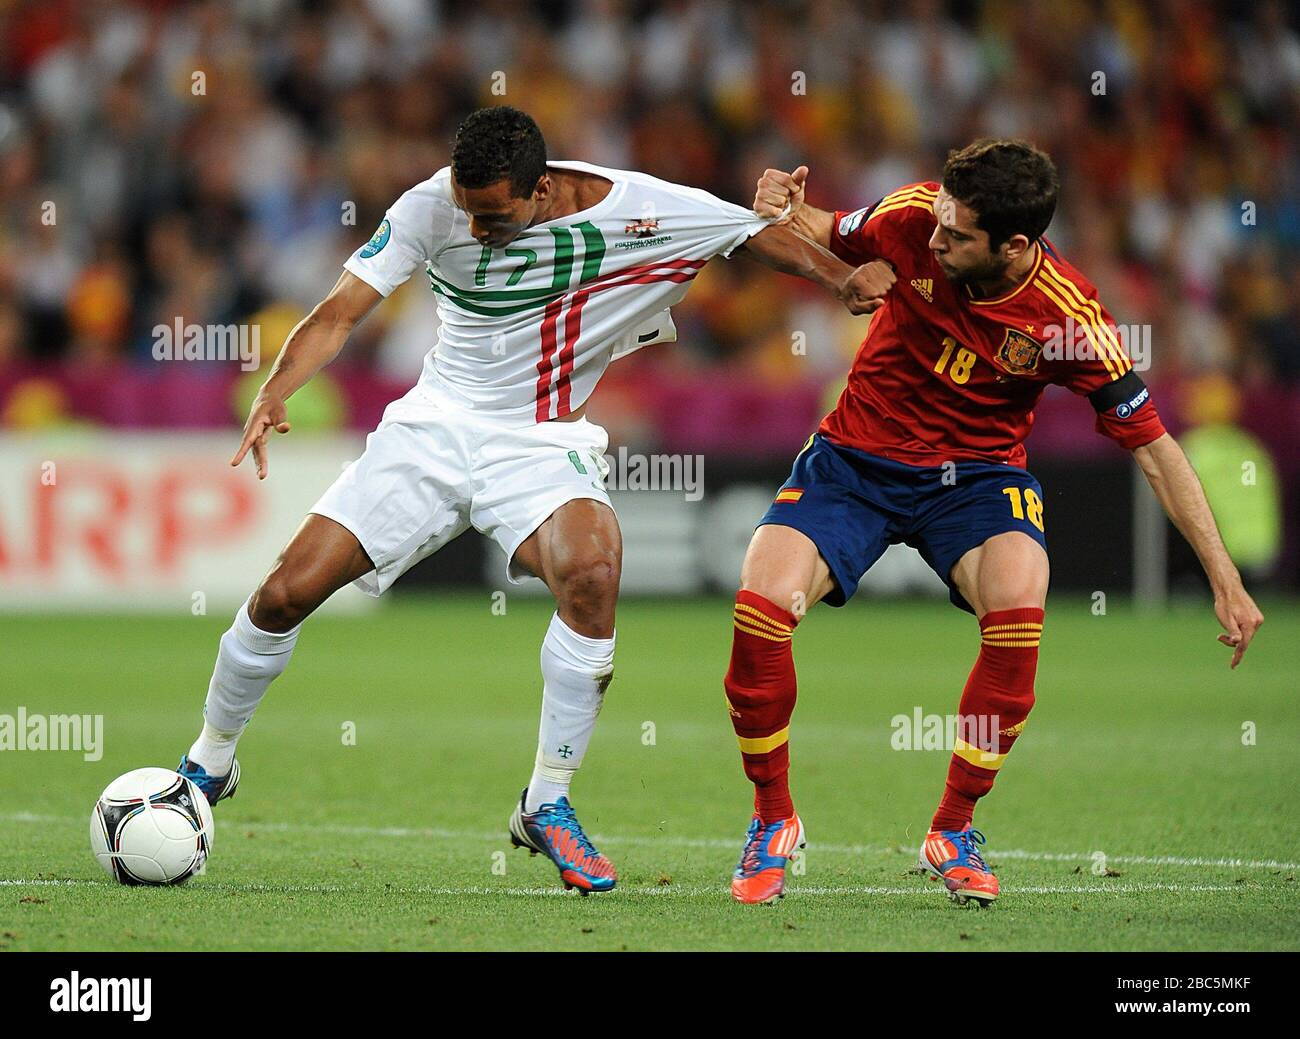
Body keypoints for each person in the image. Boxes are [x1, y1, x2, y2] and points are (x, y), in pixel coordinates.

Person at [175, 106, 892, 894]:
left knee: (592, 570)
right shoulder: (429, 206)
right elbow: (341, 310)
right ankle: (209, 762)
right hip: (434, 427)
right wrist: (277, 387)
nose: (475, 227)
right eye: (467, 207)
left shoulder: (640, 208)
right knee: (282, 594)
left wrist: (839, 276)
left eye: (495, 215)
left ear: (542, 188)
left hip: (541, 440)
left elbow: (744, 234)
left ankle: (546, 801)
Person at [725, 139, 1265, 905]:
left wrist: (1225, 577)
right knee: (759, 610)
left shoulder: (1070, 318)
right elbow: (804, 225)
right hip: (856, 458)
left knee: (1019, 600)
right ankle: (772, 818)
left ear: (1015, 245)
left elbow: (1156, 449)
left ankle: (952, 826)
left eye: (957, 236)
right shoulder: (913, 213)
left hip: (976, 480)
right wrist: (784, 207)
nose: (935, 239)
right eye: (939, 223)